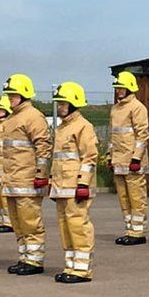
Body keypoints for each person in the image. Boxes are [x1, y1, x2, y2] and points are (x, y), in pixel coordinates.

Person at [0, 73, 52, 276]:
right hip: (12, 180)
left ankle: (35, 261)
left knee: (30, 222)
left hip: (28, 180)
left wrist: (41, 173)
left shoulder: (33, 116)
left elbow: (43, 147)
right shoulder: (12, 118)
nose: (10, 98)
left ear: (24, 95)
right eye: (9, 95)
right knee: (18, 223)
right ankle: (24, 257)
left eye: (13, 95)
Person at [49, 82, 98, 284]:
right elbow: (58, 158)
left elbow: (90, 157)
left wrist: (83, 185)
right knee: (65, 228)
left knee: (78, 227)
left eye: (63, 103)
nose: (59, 107)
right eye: (59, 103)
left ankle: (82, 270)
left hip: (75, 188)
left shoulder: (83, 127)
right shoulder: (62, 128)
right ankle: (71, 266)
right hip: (62, 187)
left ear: (73, 103)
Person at [108, 71, 149, 245]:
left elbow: (142, 135)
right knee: (124, 198)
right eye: (117, 88)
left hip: (133, 162)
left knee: (136, 198)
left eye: (121, 88)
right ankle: (129, 229)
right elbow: (113, 136)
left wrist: (136, 159)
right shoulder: (115, 109)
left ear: (130, 88)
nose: (119, 91)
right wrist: (110, 157)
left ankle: (138, 233)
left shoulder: (137, 107)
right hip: (118, 160)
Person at [0, 95, 14, 233]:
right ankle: (3, 220)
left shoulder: (9, 125)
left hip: (6, 165)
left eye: (1, 109)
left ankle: (9, 222)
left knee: (6, 195)